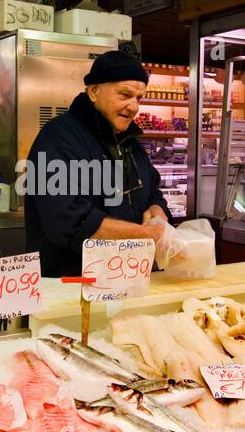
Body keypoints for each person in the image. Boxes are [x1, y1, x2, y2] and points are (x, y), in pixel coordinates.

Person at [24, 50, 170, 277]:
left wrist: (156, 210)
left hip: (129, 281)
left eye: (138, 98)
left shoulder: (130, 142)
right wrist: (146, 236)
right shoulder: (58, 139)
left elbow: (153, 190)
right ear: (93, 91)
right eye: (125, 95)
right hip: (74, 286)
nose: (134, 107)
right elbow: (69, 221)